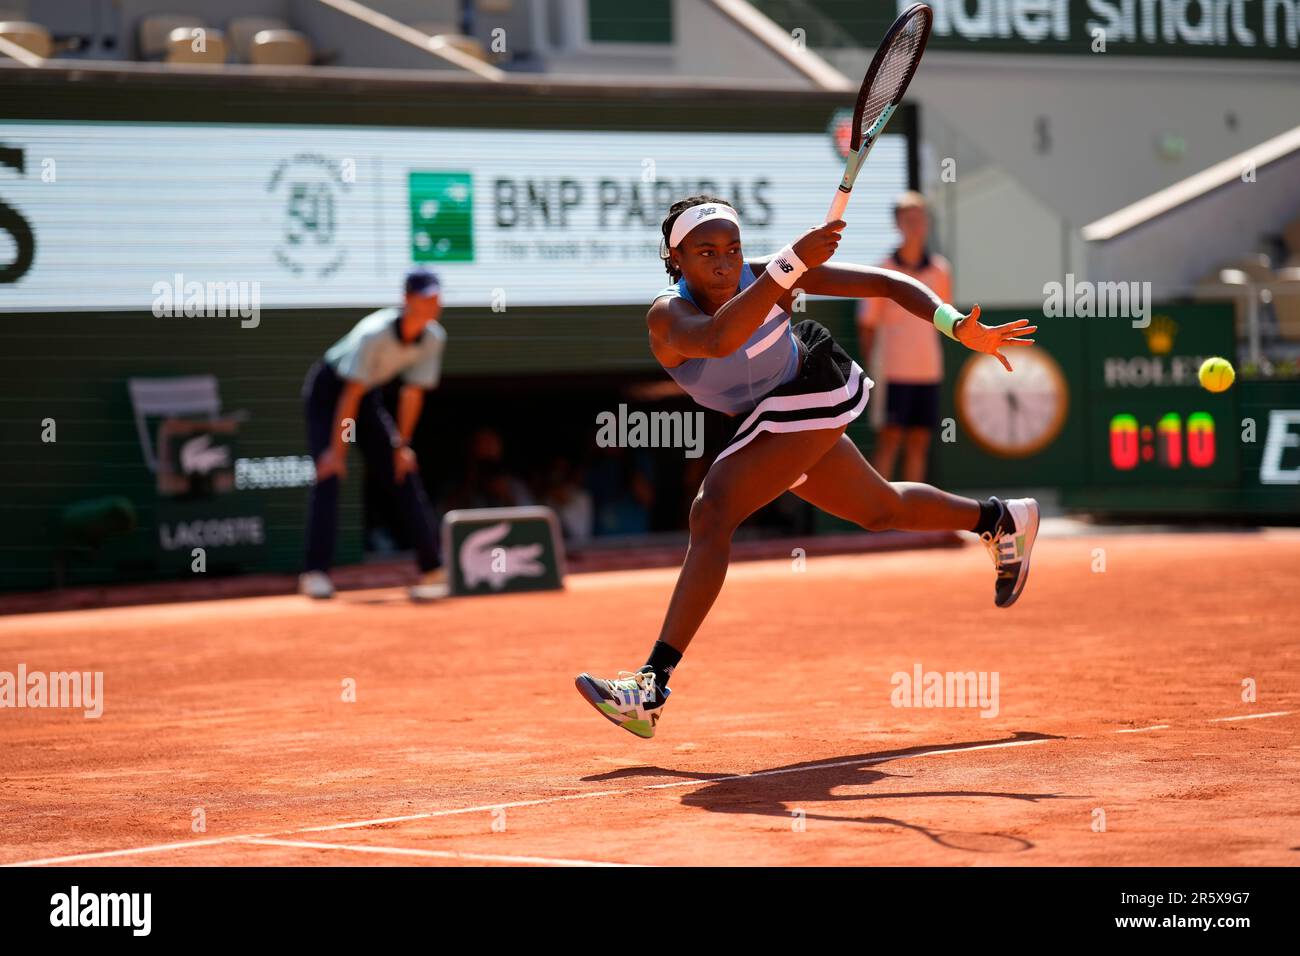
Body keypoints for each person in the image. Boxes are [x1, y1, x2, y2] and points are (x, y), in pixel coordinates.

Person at [575, 196, 1039, 739]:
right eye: (706, 253)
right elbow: (719, 338)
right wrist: (788, 266)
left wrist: (956, 324)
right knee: (879, 508)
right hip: (769, 417)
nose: (725, 263)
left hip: (811, 387)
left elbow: (888, 285)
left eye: (733, 249)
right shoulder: (667, 316)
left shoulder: (773, 274)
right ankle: (999, 519)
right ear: (676, 259)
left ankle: (651, 686)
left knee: (713, 511)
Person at [299, 267, 446, 601]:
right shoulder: (374, 333)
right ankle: (315, 573)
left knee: (402, 470)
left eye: (437, 297)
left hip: (365, 397)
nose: (434, 303)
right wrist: (337, 451)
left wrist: (402, 446)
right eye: (426, 297)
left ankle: (433, 570)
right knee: (329, 473)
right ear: (407, 299)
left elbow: (412, 393)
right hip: (330, 393)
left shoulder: (434, 337)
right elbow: (348, 395)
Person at [857, 191, 951, 482]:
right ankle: (878, 518)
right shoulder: (882, 270)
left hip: (928, 370)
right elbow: (867, 324)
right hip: (892, 371)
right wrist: (875, 368)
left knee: (919, 443)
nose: (915, 224)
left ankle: (913, 519)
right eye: (908, 218)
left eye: (920, 218)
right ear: (897, 223)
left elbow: (944, 321)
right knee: (889, 440)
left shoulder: (941, 270)